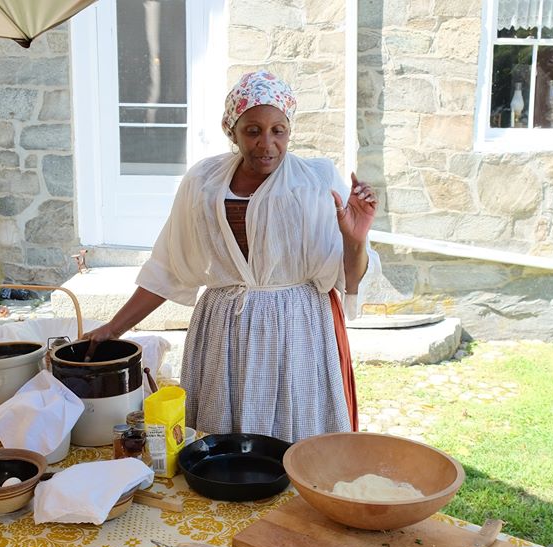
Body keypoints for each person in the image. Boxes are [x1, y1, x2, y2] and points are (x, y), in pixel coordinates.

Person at [84, 69, 380, 442]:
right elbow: (169, 267)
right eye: (253, 130)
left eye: (278, 130)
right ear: (232, 130)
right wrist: (113, 328)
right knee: (223, 448)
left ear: (289, 130)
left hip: (296, 331)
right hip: (223, 334)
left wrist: (355, 239)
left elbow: (349, 277)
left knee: (294, 445)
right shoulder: (203, 183)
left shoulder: (315, 182)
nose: (266, 143)